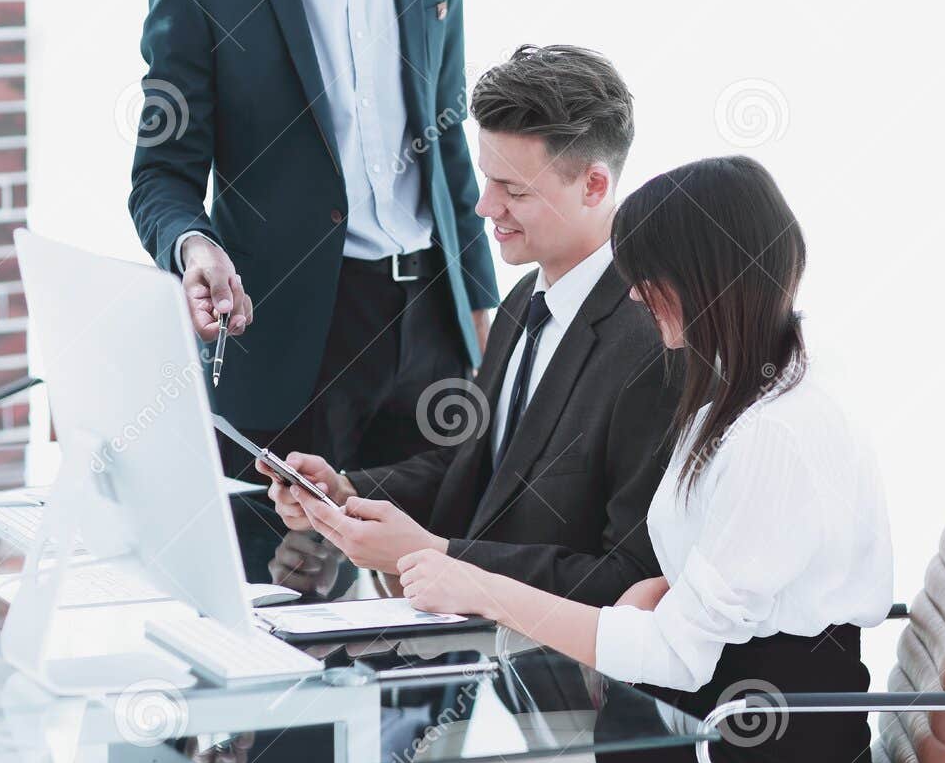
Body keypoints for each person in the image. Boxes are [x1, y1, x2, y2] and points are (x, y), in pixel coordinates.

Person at [373, 155, 895, 763]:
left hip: (757, 755)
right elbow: (720, 583)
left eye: (647, 272)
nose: (633, 291)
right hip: (704, 721)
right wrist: (666, 589)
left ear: (705, 278)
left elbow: (679, 655)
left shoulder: (773, 433)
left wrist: (483, 589)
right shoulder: (743, 394)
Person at [128, 0, 498, 478]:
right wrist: (195, 247)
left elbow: (449, 126)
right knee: (281, 587)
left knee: (440, 580)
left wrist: (482, 317)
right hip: (294, 338)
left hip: (434, 317)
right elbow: (161, 176)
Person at [264, 45, 684, 606]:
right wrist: (346, 491)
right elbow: (476, 469)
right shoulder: (519, 304)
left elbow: (630, 577)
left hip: (565, 676)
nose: (485, 207)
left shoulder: (657, 340)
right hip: (482, 654)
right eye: (488, 180)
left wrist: (441, 556)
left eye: (514, 190)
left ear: (594, 187)